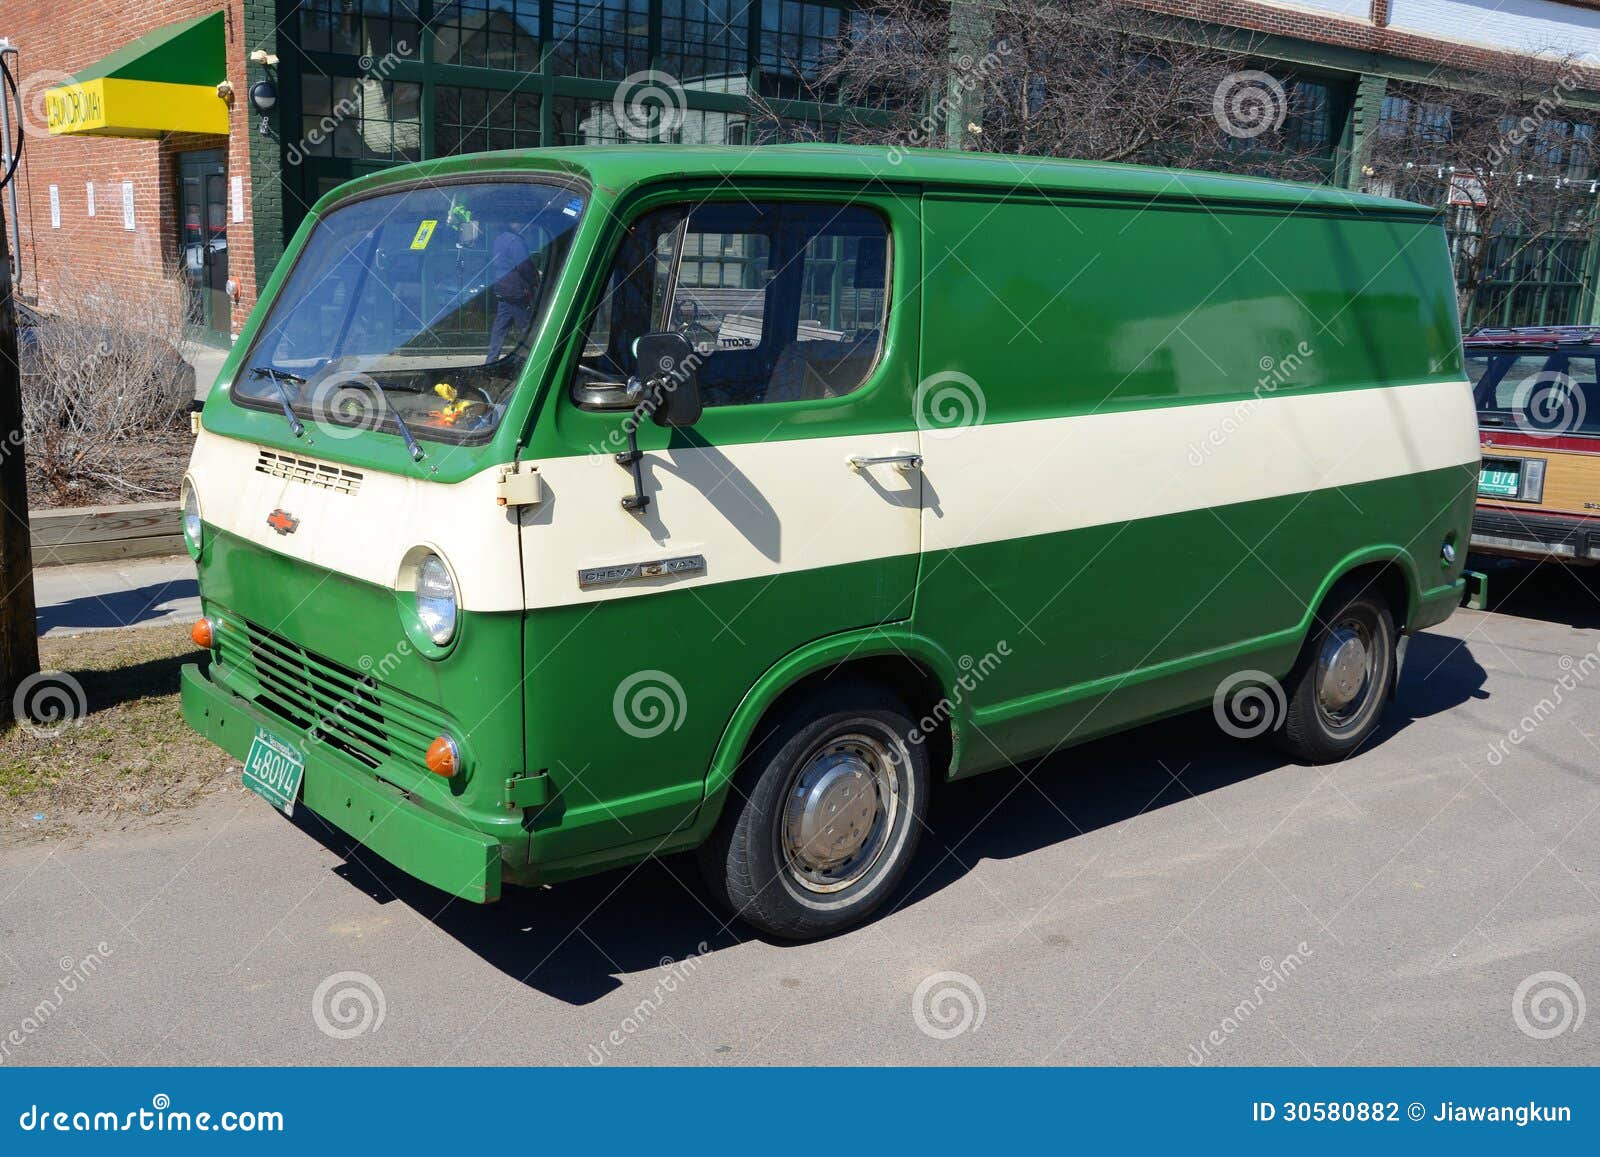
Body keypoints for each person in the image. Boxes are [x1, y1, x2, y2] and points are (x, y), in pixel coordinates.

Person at [486, 223, 541, 363]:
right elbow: (524, 264)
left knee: (501, 324)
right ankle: (535, 356)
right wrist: (534, 279)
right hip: (515, 288)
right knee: (526, 324)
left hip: (503, 286)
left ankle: (491, 358)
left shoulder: (500, 239)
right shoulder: (515, 241)